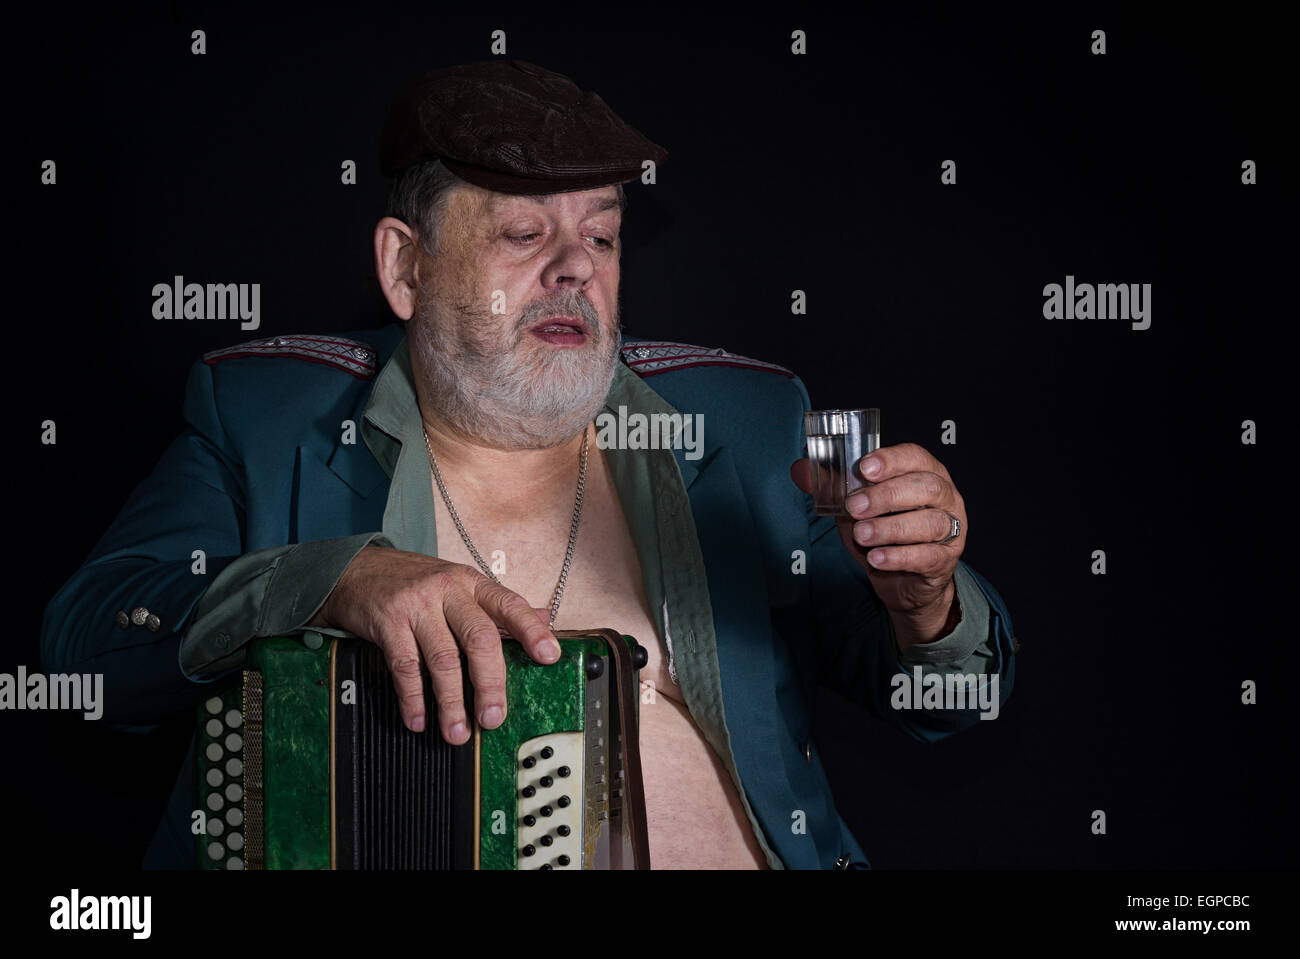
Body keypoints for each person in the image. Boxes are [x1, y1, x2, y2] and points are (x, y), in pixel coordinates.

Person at [41, 59, 1017, 870]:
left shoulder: (747, 419)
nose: (574, 268)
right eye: (522, 233)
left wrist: (922, 596)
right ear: (404, 265)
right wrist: (330, 580)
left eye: (599, 233)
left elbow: (951, 700)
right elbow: (86, 645)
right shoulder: (266, 415)